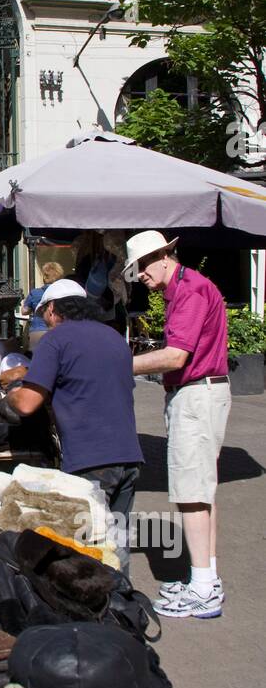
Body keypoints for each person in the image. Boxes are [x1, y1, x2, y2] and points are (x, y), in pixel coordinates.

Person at [5, 278, 143, 572]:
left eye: (44, 315)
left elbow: (28, 403)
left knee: (86, 549)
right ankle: (123, 597)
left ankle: (95, 599)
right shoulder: (114, 337)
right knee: (116, 545)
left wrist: (11, 393)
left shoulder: (56, 339)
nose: (46, 322)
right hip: (129, 456)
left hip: (90, 461)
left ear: (52, 309)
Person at [127, 231, 231, 620]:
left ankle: (203, 588)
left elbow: (175, 356)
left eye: (141, 266)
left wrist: (120, 363)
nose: (140, 275)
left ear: (162, 257)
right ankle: (206, 578)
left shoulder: (190, 290)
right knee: (200, 490)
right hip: (200, 393)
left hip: (196, 394)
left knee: (191, 491)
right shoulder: (186, 288)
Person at [21, 261, 64, 348]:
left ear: (44, 277)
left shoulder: (35, 293)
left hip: (38, 331)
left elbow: (24, 311)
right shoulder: (63, 293)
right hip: (58, 330)